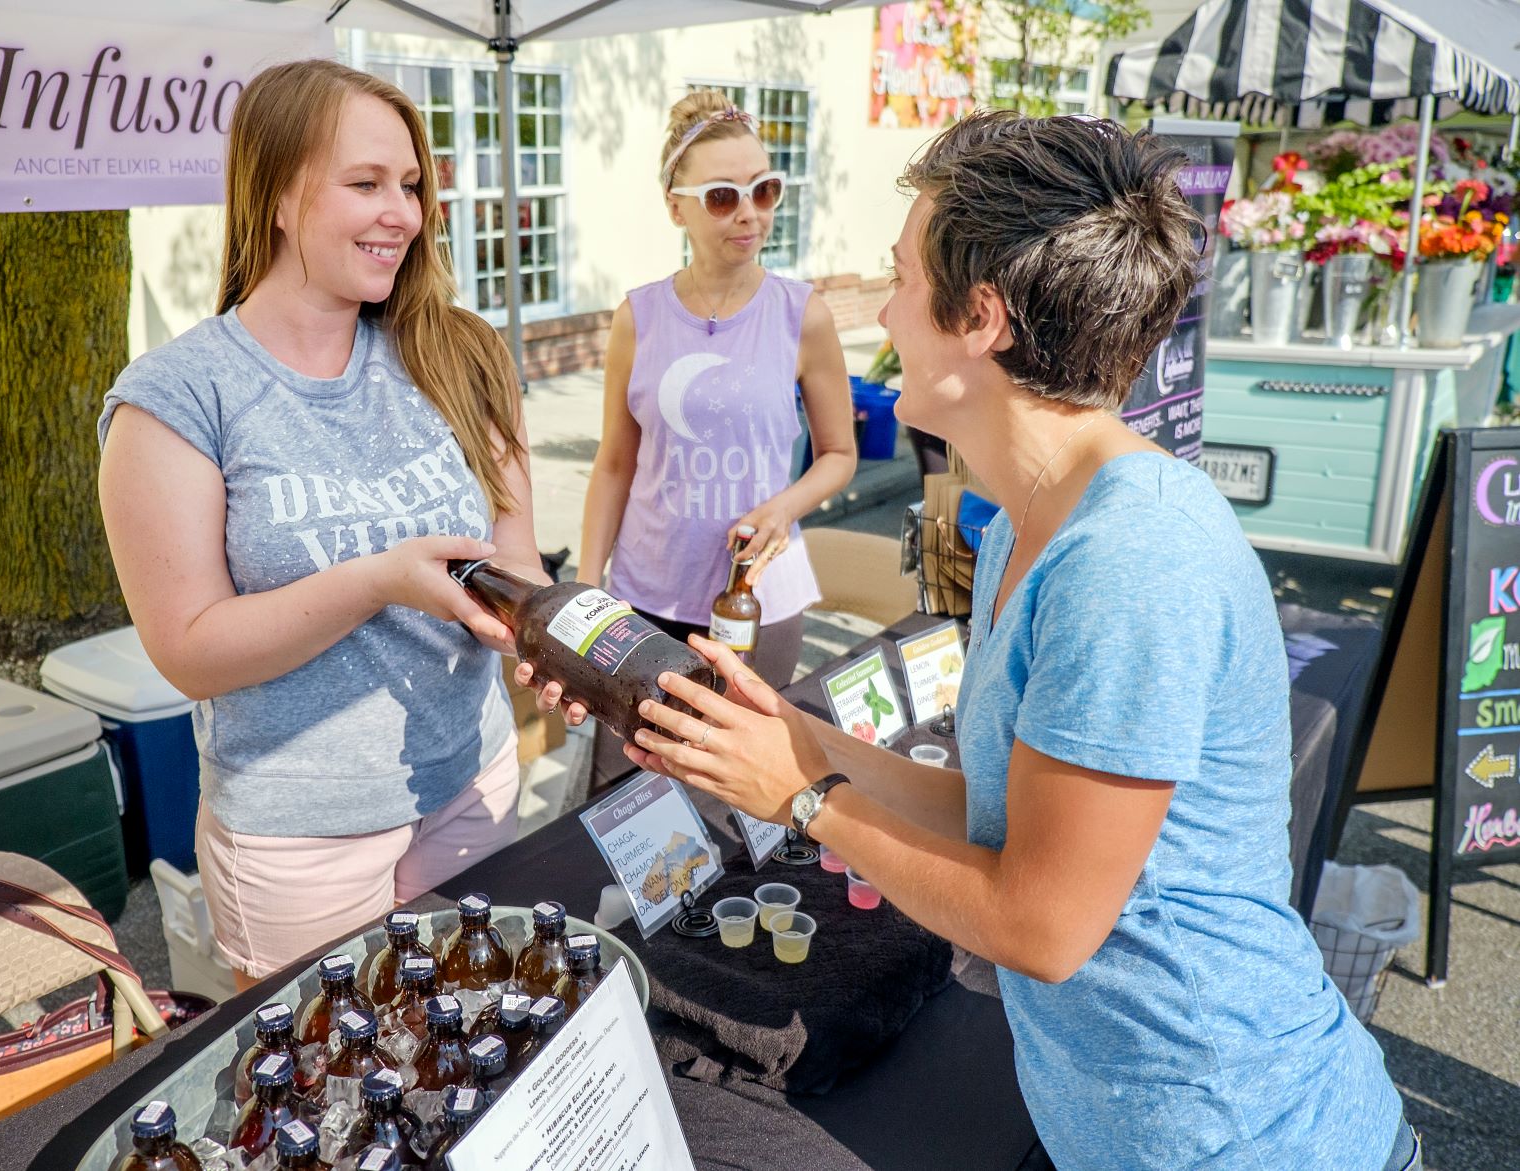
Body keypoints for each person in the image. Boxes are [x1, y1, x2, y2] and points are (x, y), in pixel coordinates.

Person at [622, 111, 1416, 1171]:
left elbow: (1041, 922)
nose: (888, 308)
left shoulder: (1129, 557)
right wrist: (795, 741)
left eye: (902, 275)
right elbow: (1003, 816)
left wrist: (803, 799)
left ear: (982, 318)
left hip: (1236, 1136)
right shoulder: (1025, 519)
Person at [97, 60, 545, 990]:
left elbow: (516, 562)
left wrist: (567, 647)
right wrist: (378, 578)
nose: (403, 213)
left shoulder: (459, 352)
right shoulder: (179, 399)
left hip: (474, 780)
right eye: (366, 183)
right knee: (338, 1106)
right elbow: (189, 649)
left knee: (475, 1049)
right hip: (298, 842)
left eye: (412, 185)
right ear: (276, 195)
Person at [567, 89, 856, 791]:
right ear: (677, 207)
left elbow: (838, 454)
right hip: (645, 593)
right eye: (723, 197)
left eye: (764, 189)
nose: (750, 212)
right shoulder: (636, 315)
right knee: (630, 787)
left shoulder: (803, 314)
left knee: (738, 790)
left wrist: (784, 507)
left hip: (758, 599)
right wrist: (585, 588)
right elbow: (613, 464)